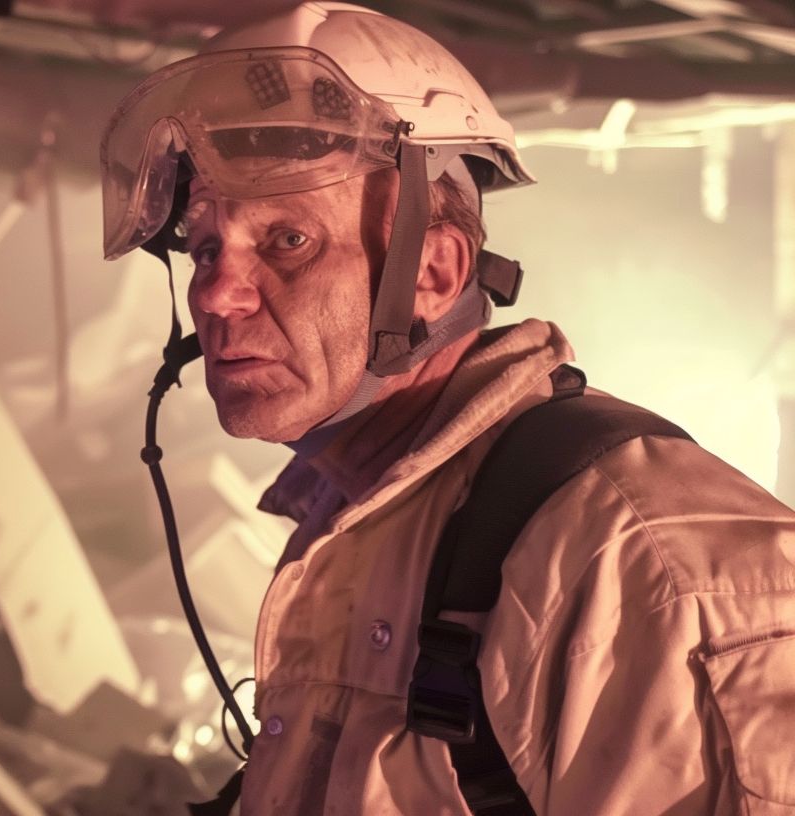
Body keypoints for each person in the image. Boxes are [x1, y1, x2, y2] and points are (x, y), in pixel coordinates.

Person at [99, 2, 795, 814]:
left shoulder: (639, 565)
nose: (216, 291)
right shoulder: (363, 517)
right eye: (207, 246)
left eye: (288, 241)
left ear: (432, 272)